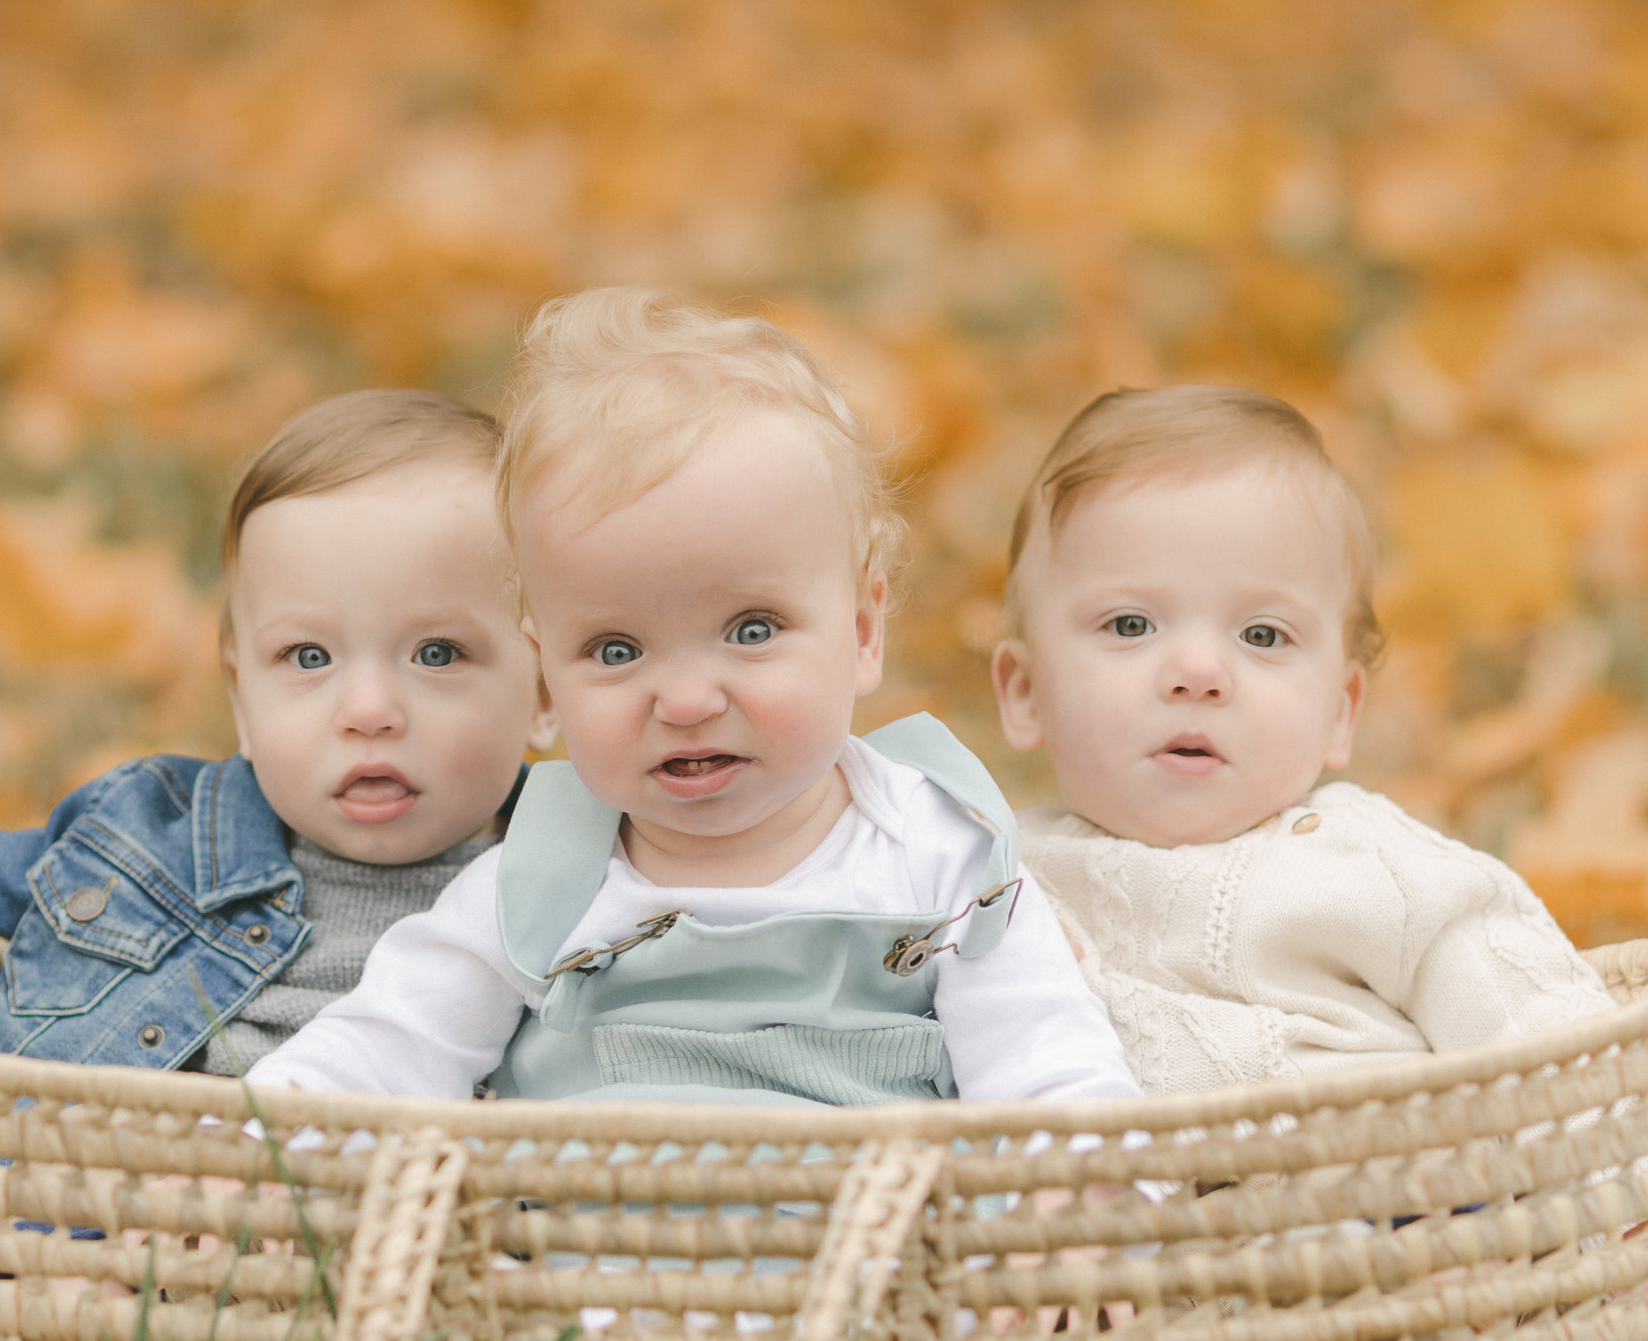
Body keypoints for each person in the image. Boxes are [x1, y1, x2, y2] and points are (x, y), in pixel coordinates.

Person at [247, 289, 1138, 1107]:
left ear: (864, 632)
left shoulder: (943, 853)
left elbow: (1045, 1063)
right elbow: (384, 1048)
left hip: (875, 1253)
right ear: (546, 684)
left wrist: (1085, 1209)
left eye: (751, 631)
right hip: (598, 1266)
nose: (682, 699)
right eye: (616, 649)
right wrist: (253, 1154)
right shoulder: (536, 884)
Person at [0, 389, 557, 1074]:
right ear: (242, 698)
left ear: (543, 688)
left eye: (438, 653)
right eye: (309, 656)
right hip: (96, 1216)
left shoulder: (582, 889)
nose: (370, 709)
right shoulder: (151, 836)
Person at [989, 385, 1616, 1095]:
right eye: (1131, 625)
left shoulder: (1360, 861)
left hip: (1402, 1186)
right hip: (1133, 1201)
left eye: (1262, 635)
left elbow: (1518, 1001)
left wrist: (1600, 1143)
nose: (1198, 673)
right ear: (1024, 691)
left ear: (1339, 713)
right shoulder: (993, 884)